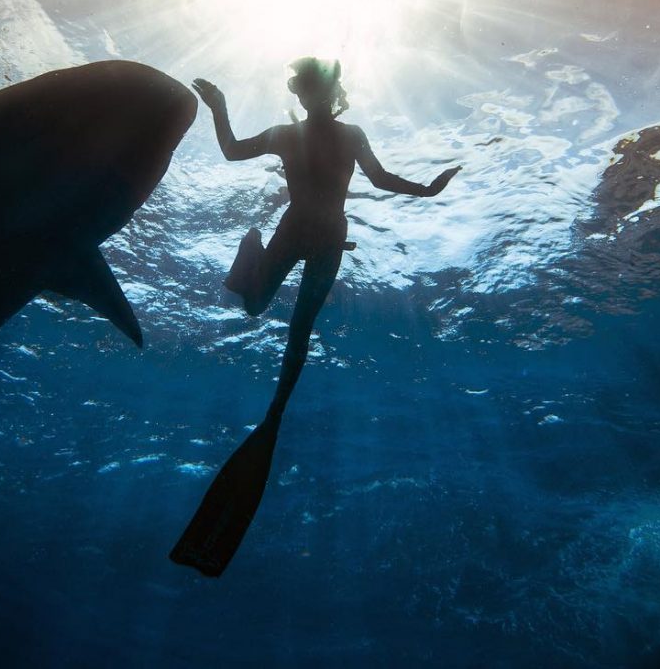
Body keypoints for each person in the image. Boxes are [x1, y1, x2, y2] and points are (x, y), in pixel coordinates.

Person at [170, 57, 460, 576]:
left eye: (316, 86)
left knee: (299, 333)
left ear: (330, 92)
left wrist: (428, 190)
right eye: (304, 88)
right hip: (297, 229)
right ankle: (249, 255)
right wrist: (219, 108)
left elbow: (381, 177)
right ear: (301, 94)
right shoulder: (286, 133)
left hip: (327, 238)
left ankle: (276, 412)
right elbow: (234, 151)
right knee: (257, 305)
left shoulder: (352, 134)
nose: (311, 95)